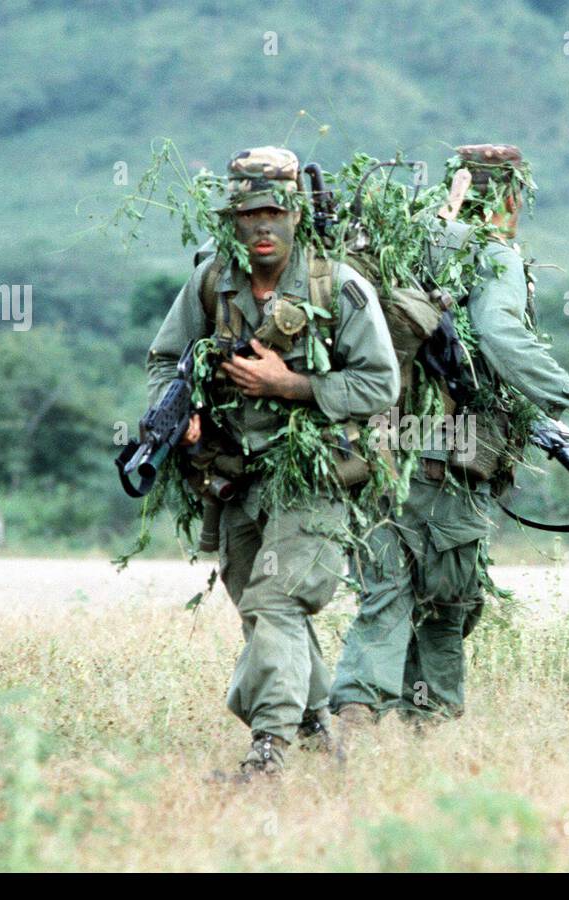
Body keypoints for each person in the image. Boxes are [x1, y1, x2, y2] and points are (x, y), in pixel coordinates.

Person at [329, 143, 569, 725]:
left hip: (371, 457)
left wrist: (535, 422)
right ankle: (428, 736)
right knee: (448, 609)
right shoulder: (491, 253)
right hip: (443, 470)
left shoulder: (398, 248)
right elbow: (499, 338)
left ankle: (352, 732)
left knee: (382, 602)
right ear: (510, 196)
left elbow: (463, 361)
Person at [145, 146, 399, 776]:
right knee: (258, 612)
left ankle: (269, 756)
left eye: (273, 212)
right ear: (231, 220)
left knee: (276, 603)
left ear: (296, 215)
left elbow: (379, 386)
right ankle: (317, 733)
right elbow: (162, 359)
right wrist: (181, 414)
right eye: (247, 214)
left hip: (314, 474)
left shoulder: (338, 286)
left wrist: (290, 386)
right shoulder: (210, 281)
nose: (261, 227)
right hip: (233, 476)